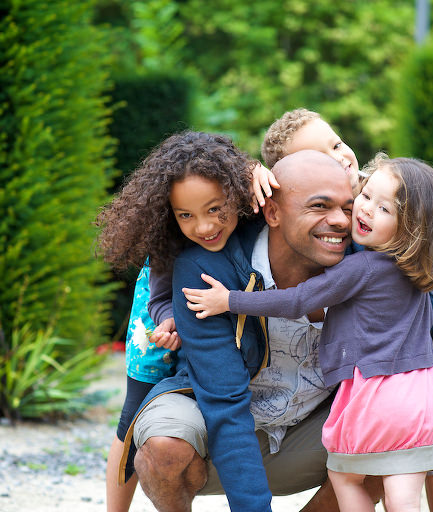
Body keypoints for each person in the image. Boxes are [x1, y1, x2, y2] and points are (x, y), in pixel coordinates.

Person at [118, 150, 433, 512]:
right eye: (319, 206)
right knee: (162, 447)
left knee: (393, 438)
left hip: (313, 429)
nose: (341, 221)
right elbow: (225, 406)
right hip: (223, 425)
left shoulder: (364, 260)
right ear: (272, 213)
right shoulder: (208, 270)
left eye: (348, 206)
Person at [255, 108, 433, 512]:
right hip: (377, 365)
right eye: (321, 157)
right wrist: (246, 171)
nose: (341, 158)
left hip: (423, 344)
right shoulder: (346, 220)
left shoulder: (381, 194)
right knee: (375, 462)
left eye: (336, 143)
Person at [183, 155, 433, 511]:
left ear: (410, 228)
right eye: (365, 197)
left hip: (376, 396)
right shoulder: (417, 271)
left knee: (345, 474)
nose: (363, 211)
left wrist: (230, 300)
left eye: (383, 209)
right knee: (401, 493)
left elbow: (298, 299)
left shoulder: (361, 267)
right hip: (422, 396)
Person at [95, 130, 258, 512]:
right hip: (153, 314)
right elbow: (160, 299)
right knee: (133, 412)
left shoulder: (247, 218)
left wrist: (256, 170)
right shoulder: (168, 241)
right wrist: (169, 323)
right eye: (186, 215)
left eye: (216, 209)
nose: (204, 227)